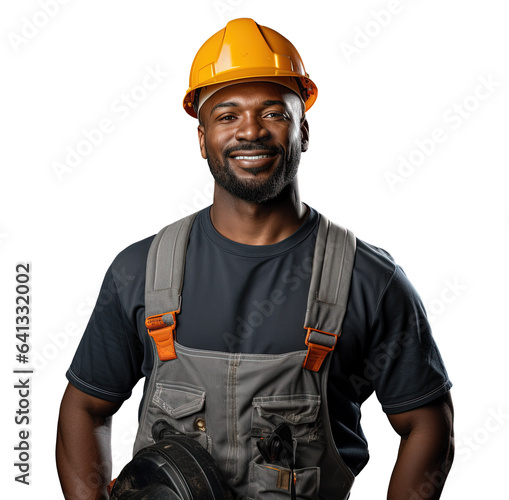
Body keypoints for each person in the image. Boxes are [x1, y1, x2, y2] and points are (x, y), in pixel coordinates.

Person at [55, 18, 453, 500]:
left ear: (303, 131)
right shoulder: (140, 271)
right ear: (202, 139)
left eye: (273, 113)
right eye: (227, 115)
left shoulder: (368, 280)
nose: (250, 131)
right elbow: (85, 408)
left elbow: (428, 425)